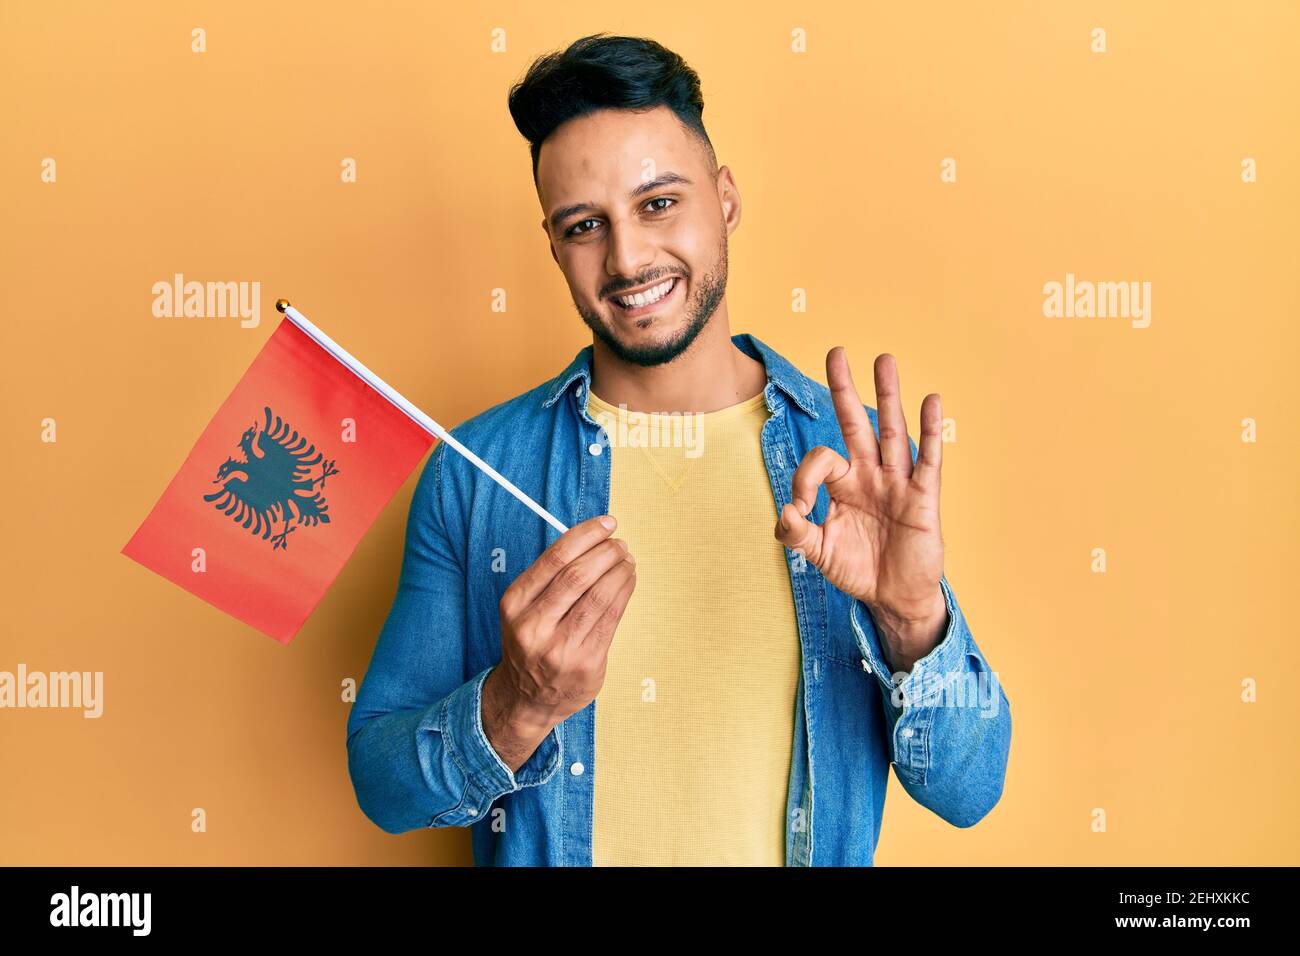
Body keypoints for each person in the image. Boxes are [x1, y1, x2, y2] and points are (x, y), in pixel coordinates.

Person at [346, 32, 1011, 866]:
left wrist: (914, 619)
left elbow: (969, 788)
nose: (627, 258)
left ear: (725, 198)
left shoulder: (846, 464)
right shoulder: (475, 472)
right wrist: (516, 705)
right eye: (586, 225)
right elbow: (381, 781)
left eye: (659, 203)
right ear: (554, 244)